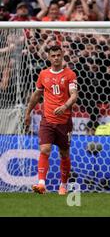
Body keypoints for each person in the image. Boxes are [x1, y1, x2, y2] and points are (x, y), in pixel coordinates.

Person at [24, 45, 78, 195]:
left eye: (58, 55)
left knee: (64, 153)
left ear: (62, 56)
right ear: (48, 57)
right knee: (45, 149)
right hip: (47, 119)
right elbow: (36, 96)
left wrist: (65, 105)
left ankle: (64, 185)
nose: (56, 58)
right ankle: (41, 184)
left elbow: (74, 95)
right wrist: (28, 112)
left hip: (64, 121)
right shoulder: (43, 74)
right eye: (53, 55)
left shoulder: (70, 74)